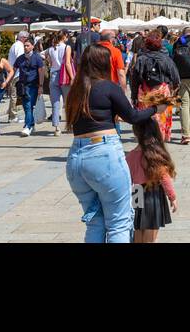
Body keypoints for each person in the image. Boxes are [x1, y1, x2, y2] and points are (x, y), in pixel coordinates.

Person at [65, 44, 159, 243]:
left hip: (76, 158)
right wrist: (155, 109)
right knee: (119, 222)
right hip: (103, 153)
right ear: (103, 63)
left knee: (96, 222)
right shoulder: (108, 87)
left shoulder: (76, 90)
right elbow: (132, 116)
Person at [126, 118, 178, 243]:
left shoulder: (130, 156)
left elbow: (128, 179)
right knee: (151, 228)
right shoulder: (155, 155)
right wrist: (172, 197)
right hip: (152, 193)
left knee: (138, 226)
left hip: (136, 192)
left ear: (136, 133)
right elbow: (164, 178)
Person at [128, 34, 181, 142]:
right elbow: (176, 78)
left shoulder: (141, 59)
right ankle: (160, 139)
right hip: (162, 91)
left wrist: (134, 97)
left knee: (146, 117)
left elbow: (135, 79)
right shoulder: (166, 59)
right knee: (161, 117)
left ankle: (148, 139)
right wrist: (174, 92)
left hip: (145, 92)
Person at [13, 37, 46, 136]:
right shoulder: (20, 58)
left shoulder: (37, 58)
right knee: (27, 106)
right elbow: (13, 69)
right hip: (23, 86)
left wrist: (40, 86)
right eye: (25, 46)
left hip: (33, 86)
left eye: (28, 46)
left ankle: (27, 126)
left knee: (28, 105)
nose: (26, 47)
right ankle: (31, 124)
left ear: (32, 46)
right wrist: (8, 82)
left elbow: (41, 72)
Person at [46, 30, 69, 135]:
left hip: (53, 75)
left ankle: (57, 128)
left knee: (55, 103)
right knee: (67, 102)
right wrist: (73, 78)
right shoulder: (66, 47)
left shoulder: (50, 49)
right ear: (64, 36)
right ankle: (70, 124)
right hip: (64, 75)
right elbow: (67, 63)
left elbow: (48, 61)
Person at [6, 30, 28, 123]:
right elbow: (20, 60)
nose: (27, 41)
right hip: (17, 74)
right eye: (27, 38)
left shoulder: (14, 45)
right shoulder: (19, 46)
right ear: (23, 38)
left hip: (13, 73)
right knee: (14, 95)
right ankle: (12, 116)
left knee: (14, 95)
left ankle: (12, 114)